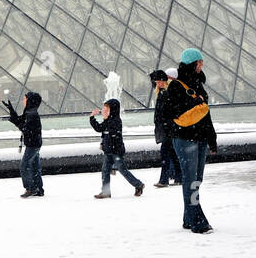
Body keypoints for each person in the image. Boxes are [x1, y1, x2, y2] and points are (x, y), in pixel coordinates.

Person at [156, 48, 219, 234]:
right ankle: (198, 221)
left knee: (196, 180)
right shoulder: (176, 85)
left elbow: (205, 113)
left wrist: (212, 139)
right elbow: (168, 113)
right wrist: (192, 104)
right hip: (185, 139)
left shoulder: (198, 84)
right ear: (192, 63)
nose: (202, 65)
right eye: (199, 62)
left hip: (200, 138)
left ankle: (188, 218)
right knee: (190, 180)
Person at [89, 99, 145, 198]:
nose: (105, 109)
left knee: (123, 170)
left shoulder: (116, 120)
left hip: (116, 151)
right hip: (108, 151)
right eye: (105, 107)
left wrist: (106, 119)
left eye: (107, 108)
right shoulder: (108, 120)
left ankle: (138, 184)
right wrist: (92, 118)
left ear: (113, 109)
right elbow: (99, 128)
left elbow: (111, 130)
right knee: (105, 171)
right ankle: (106, 192)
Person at [5, 91, 44, 198]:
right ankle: (38, 189)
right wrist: (12, 111)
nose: (23, 100)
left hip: (33, 144)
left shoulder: (31, 114)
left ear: (30, 100)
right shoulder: (30, 112)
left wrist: (16, 121)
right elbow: (20, 121)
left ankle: (30, 188)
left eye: (25, 98)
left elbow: (25, 129)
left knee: (25, 166)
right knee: (35, 167)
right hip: (35, 143)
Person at [149, 70, 181, 187]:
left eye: (160, 82)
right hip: (167, 128)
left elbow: (168, 112)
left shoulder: (166, 94)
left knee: (165, 154)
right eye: (157, 82)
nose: (158, 84)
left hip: (168, 129)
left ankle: (164, 180)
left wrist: (166, 125)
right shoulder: (162, 93)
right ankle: (179, 177)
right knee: (172, 154)